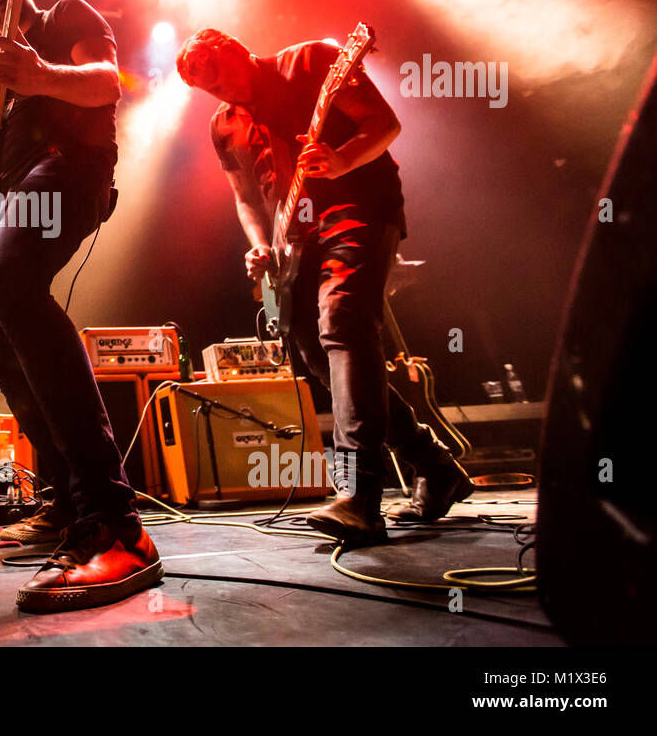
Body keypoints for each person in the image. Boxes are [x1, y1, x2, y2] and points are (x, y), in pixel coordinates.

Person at [175, 29, 473, 544]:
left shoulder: (312, 61)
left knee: (343, 321)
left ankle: (359, 495)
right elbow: (245, 195)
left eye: (220, 76)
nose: (221, 95)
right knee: (315, 354)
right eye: (208, 90)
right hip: (294, 236)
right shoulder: (223, 125)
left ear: (238, 49)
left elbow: (384, 123)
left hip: (358, 208)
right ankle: (433, 464)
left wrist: (341, 160)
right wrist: (260, 243)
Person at [0, 0, 161, 612]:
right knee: (6, 349)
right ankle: (65, 499)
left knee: (7, 277)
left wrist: (39, 75)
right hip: (14, 192)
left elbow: (104, 82)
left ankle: (114, 518)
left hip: (71, 169)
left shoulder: (67, 14)